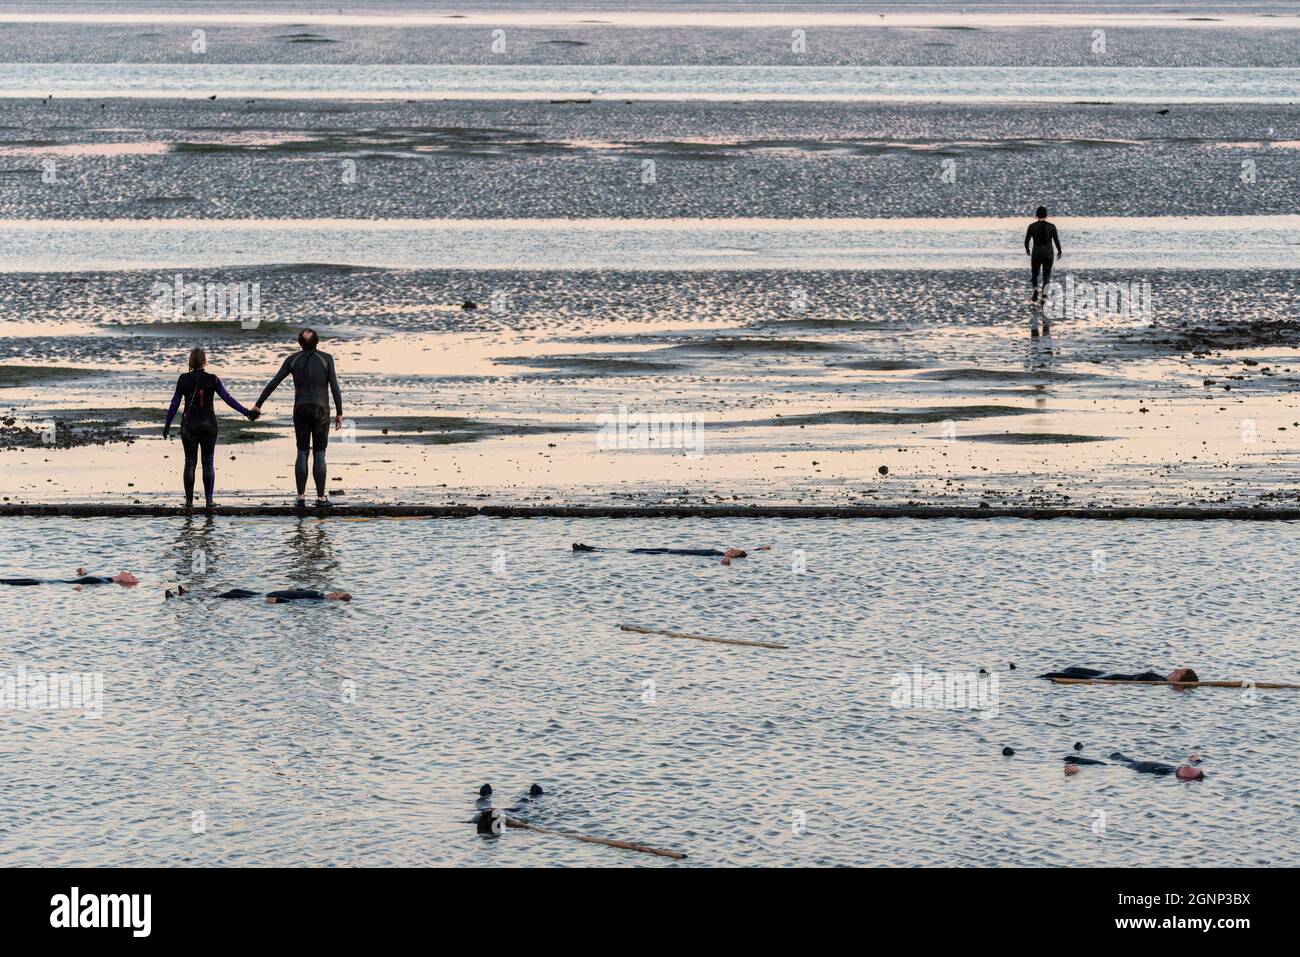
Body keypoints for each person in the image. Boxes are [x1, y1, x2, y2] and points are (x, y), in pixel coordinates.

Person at [252, 328, 343, 508]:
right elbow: (334, 387)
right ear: (317, 341)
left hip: (300, 410)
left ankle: (301, 498)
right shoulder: (326, 359)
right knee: (319, 452)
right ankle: (321, 498)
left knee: (302, 451)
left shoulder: (292, 360)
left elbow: (274, 382)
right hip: (321, 410)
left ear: (299, 343)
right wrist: (340, 412)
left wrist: (258, 405)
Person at [164, 347, 259, 509]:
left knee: (189, 462)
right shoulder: (213, 379)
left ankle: (189, 502)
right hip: (209, 425)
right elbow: (228, 399)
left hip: (189, 426)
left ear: (190, 361)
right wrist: (247, 412)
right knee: (208, 462)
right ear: (204, 361)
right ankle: (209, 501)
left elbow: (174, 403)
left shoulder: (183, 379)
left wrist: (167, 424)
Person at [1024, 205, 1063, 307]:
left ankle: (1036, 289)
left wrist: (1027, 249)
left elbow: (1026, 241)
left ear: (1036, 215)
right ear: (1046, 215)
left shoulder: (1031, 226)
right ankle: (1044, 297)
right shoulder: (1052, 227)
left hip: (1036, 252)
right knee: (1046, 276)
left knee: (1035, 273)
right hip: (1048, 253)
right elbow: (1056, 241)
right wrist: (1059, 251)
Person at [164, 585, 350, 603]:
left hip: (266, 598)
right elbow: (300, 594)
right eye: (337, 591)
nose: (334, 593)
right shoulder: (319, 594)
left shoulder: (318, 601)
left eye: (338, 595)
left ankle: (180, 599)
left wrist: (278, 600)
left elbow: (297, 603)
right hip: (263, 593)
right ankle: (190, 593)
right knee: (232, 590)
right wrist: (296, 589)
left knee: (227, 596)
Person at [2, 570, 138, 586]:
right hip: (60, 582)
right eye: (131, 576)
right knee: (33, 580)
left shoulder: (105, 580)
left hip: (59, 583)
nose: (131, 576)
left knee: (34, 581)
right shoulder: (104, 580)